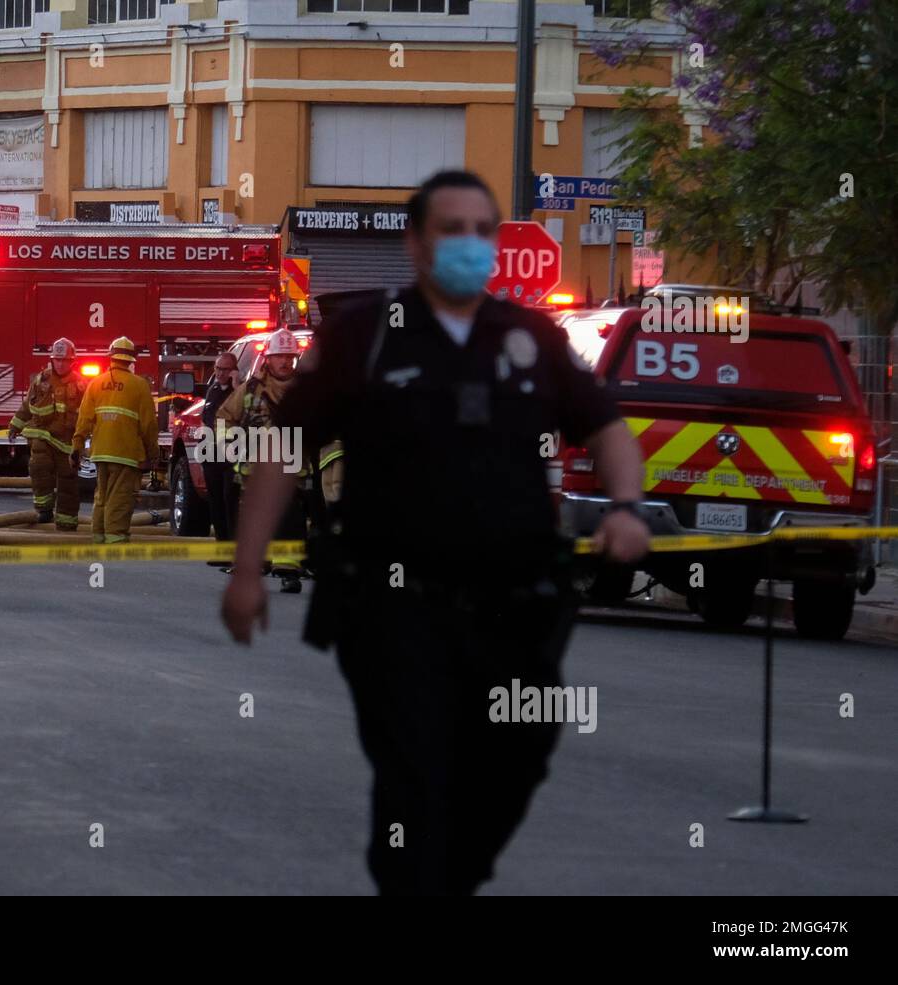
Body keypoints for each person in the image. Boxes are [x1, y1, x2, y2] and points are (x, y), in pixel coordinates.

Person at [220, 169, 651, 895]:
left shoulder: (529, 336)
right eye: (453, 231)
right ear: (417, 243)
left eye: (483, 232)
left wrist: (626, 507)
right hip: (395, 609)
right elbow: (285, 450)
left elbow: (607, 427)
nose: (471, 245)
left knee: (517, 756)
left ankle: (447, 877)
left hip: (515, 606)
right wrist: (246, 568)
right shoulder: (365, 335)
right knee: (416, 771)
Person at [217, 328, 308, 594]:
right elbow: (224, 417)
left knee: (290, 516)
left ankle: (288, 568)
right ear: (268, 358)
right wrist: (229, 447)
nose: (284, 362)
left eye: (289, 357)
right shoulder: (251, 389)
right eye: (279, 356)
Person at [72, 336, 159, 544]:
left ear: (111, 357)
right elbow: (148, 425)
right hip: (127, 453)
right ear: (131, 360)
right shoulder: (139, 385)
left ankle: (99, 536)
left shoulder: (96, 383)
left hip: (100, 451)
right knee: (120, 498)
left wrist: (76, 447)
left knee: (101, 496)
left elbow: (83, 419)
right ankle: (116, 538)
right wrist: (153, 454)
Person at [9, 337, 88, 530]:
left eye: (64, 361)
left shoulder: (81, 385)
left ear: (72, 361)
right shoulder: (41, 379)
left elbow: (88, 413)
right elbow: (28, 405)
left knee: (68, 481)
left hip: (67, 441)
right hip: (42, 434)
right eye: (57, 360)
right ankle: (43, 509)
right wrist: (14, 426)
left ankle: (67, 522)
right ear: (51, 359)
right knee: (39, 467)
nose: (60, 364)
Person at [200, 351, 241, 540]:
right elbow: (206, 418)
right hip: (212, 455)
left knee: (230, 500)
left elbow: (245, 415)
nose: (220, 373)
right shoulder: (213, 389)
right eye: (218, 368)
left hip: (232, 455)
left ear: (234, 371)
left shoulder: (240, 391)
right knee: (215, 501)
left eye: (225, 369)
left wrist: (237, 386)